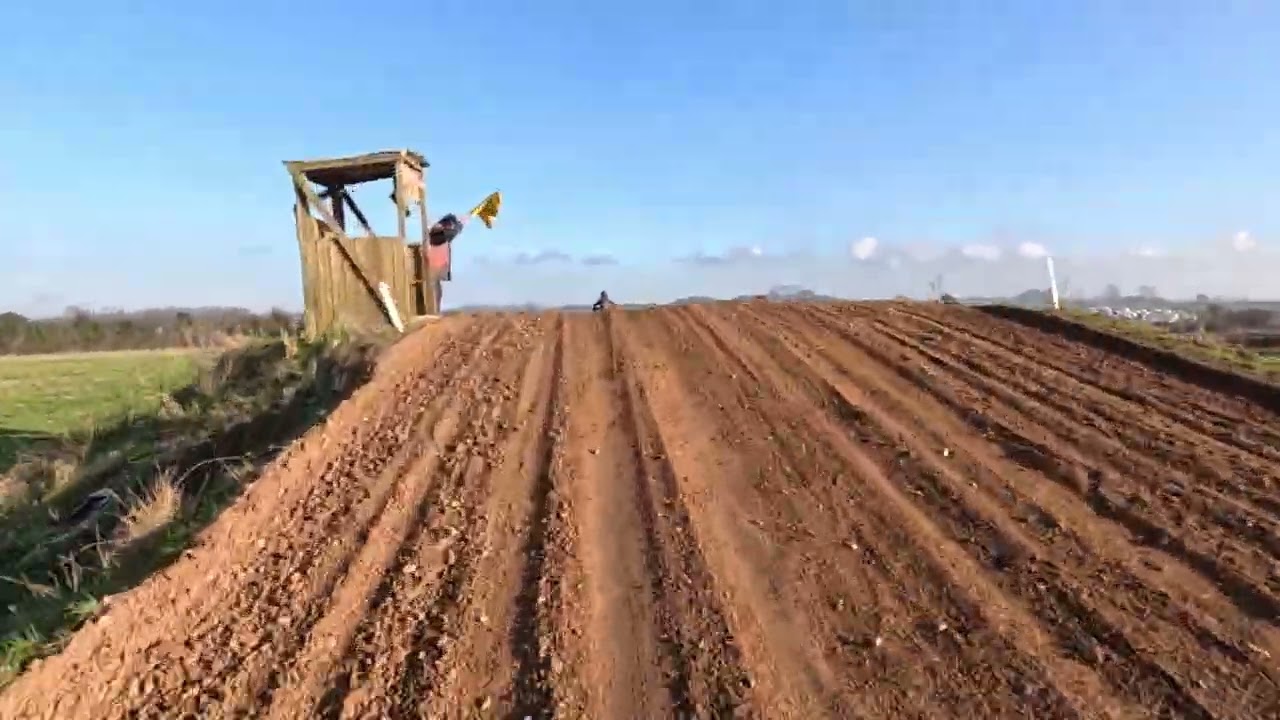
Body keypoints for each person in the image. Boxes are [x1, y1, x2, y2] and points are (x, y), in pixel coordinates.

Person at [423, 213, 469, 314]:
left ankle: (435, 310)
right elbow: (452, 233)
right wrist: (460, 225)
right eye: (450, 224)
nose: (451, 226)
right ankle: (434, 310)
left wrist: (460, 224)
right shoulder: (439, 233)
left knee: (437, 288)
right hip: (434, 265)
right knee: (434, 289)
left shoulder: (437, 231)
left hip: (436, 264)